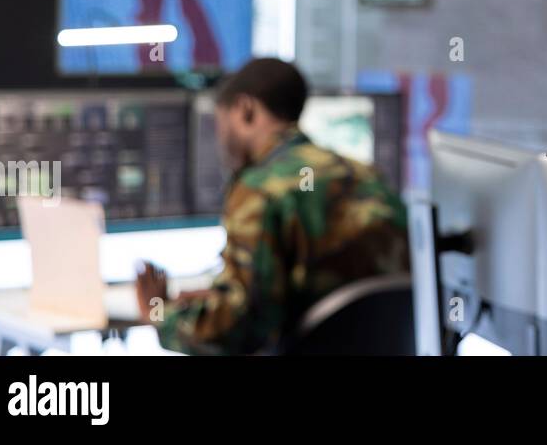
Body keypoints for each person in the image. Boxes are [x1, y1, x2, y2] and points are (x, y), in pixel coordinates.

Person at [136, 58, 408, 354]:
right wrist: (224, 293)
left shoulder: (260, 189)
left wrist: (160, 315)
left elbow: (238, 331)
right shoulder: (366, 175)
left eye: (220, 121)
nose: (220, 138)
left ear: (245, 110)